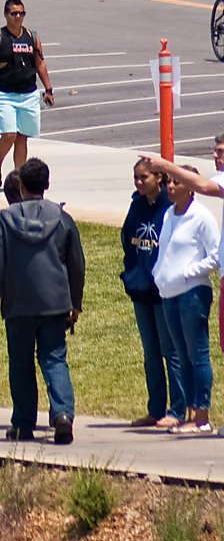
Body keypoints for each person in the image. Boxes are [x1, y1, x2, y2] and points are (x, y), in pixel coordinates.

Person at [0, 157, 85, 444]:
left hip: (19, 304)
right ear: (47, 185)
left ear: (21, 185)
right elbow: (76, 265)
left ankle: (24, 424)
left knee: (21, 364)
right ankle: (63, 414)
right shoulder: (62, 218)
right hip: (55, 303)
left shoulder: (5, 220)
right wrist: (75, 304)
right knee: (54, 358)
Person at [152, 166, 219, 432]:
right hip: (169, 293)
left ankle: (201, 417)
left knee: (197, 354)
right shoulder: (169, 214)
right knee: (180, 354)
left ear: (190, 188)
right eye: (168, 182)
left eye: (176, 182)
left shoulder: (201, 217)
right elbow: (166, 251)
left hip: (193, 293)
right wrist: (160, 274)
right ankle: (188, 412)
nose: (170, 187)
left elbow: (215, 256)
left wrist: (187, 273)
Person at [0, 0, 54, 190]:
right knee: (9, 134)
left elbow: (40, 63)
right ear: (6, 15)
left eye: (21, 13)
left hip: (28, 94)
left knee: (22, 137)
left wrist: (48, 89)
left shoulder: (32, 37)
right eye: (14, 13)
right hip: (3, 94)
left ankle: (19, 179)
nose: (18, 17)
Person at [120, 159, 171, 429]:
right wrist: (131, 273)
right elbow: (128, 239)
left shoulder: (169, 206)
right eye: (136, 178)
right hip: (140, 289)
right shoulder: (136, 205)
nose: (139, 183)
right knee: (151, 354)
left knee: (170, 352)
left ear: (159, 178)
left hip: (163, 291)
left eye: (144, 178)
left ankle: (178, 409)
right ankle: (155, 409)